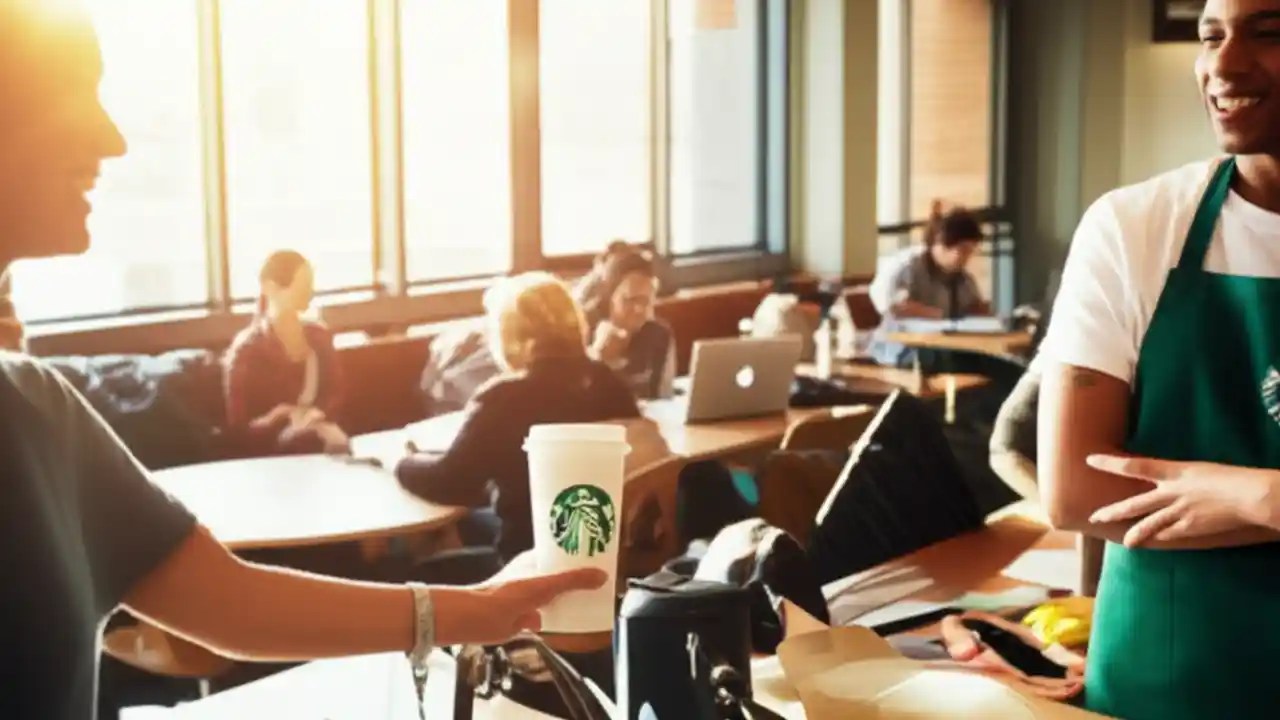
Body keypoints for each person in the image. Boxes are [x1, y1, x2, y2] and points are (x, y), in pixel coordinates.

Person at [0, 4, 603, 718]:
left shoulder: (38, 409)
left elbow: (232, 605)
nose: (113, 138)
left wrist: (481, 610)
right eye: (75, 92)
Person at [1038, 1, 1280, 716]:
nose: (1224, 65)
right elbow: (1076, 489)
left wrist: (1257, 494)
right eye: (1210, 36)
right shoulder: (1134, 228)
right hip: (1166, 684)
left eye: (1269, 33)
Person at [396, 272, 641, 560]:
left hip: (527, 569)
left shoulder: (504, 398)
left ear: (511, 335)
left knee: (417, 567)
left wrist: (402, 463)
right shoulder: (610, 384)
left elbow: (449, 483)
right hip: (595, 556)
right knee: (469, 523)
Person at [223, 250, 349, 455]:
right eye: (302, 284)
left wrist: (318, 414)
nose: (309, 291)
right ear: (270, 287)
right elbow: (240, 426)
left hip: (321, 435)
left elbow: (335, 392)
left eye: (310, 284)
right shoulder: (248, 349)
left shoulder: (319, 338)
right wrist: (278, 416)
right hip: (270, 449)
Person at [868, 201, 990, 368]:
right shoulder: (906, 266)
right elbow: (896, 306)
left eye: (971, 251)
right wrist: (942, 317)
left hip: (944, 348)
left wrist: (982, 315)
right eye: (962, 250)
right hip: (903, 351)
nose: (966, 257)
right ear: (939, 242)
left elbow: (973, 307)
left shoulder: (961, 277)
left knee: (998, 367)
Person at [576, 243, 676, 399]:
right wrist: (598, 356)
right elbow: (573, 399)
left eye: (645, 301)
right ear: (609, 297)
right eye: (630, 300)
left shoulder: (658, 335)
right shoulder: (581, 327)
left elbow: (663, 399)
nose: (638, 309)